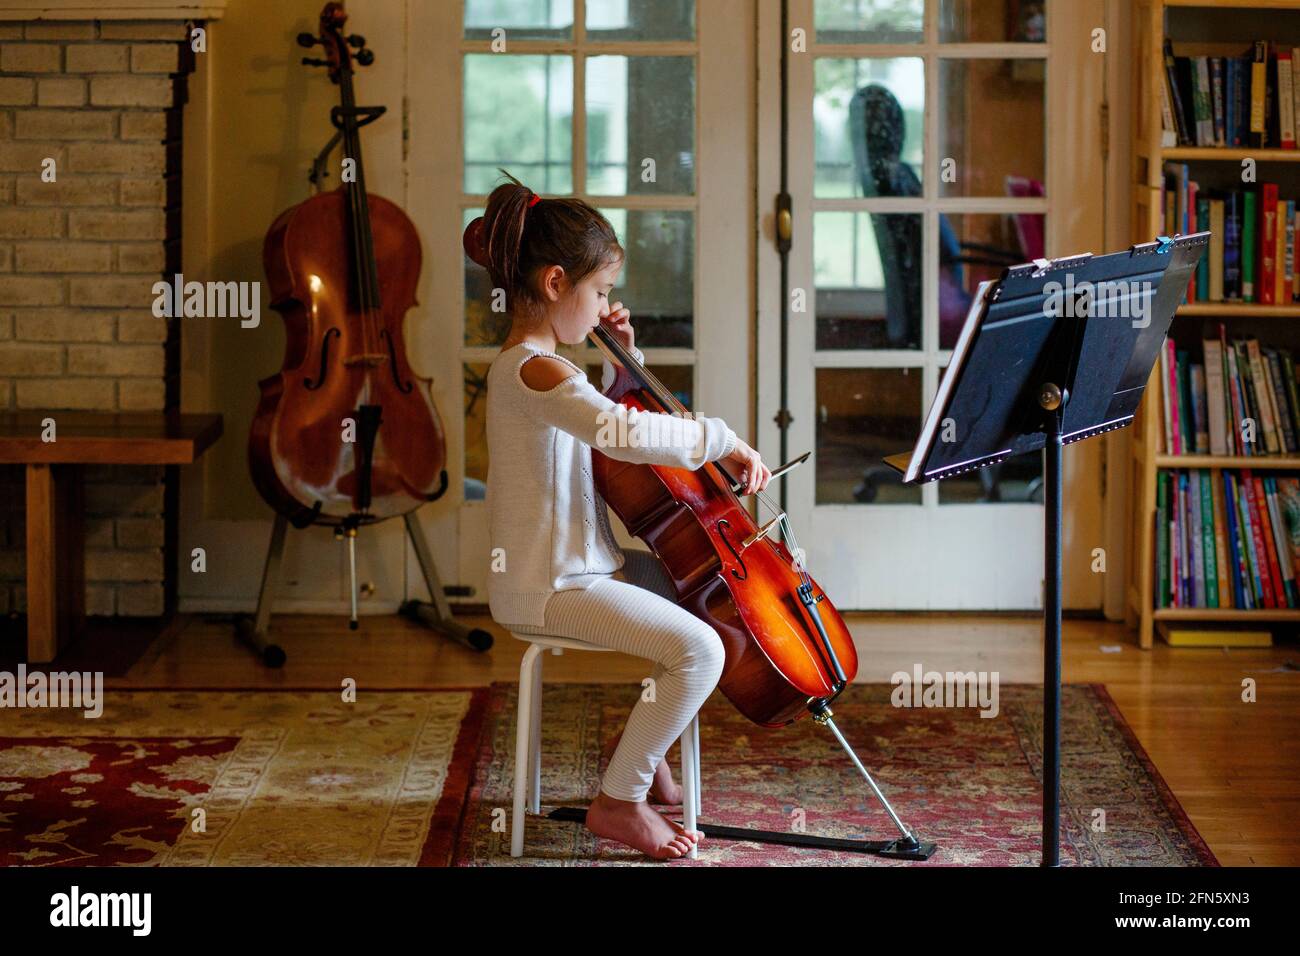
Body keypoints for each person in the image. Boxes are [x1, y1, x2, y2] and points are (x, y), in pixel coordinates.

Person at [476, 170, 771, 860]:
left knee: (708, 607)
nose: (605, 304)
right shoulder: (532, 370)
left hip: (584, 569)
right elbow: (619, 434)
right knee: (698, 650)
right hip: (549, 588)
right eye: (599, 291)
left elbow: (601, 422)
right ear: (555, 284)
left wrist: (623, 364)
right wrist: (719, 437)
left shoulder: (552, 370)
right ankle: (619, 800)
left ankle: (638, 747)